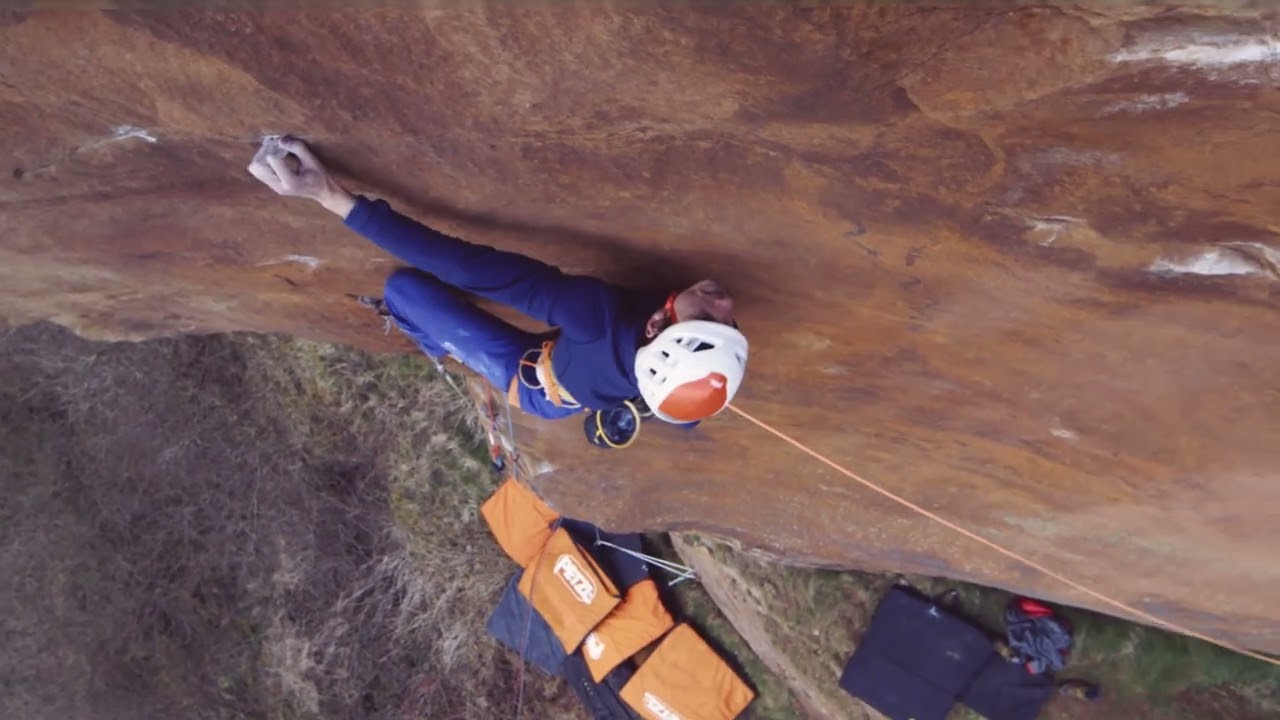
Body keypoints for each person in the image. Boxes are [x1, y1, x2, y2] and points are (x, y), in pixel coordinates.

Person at [247, 136, 748, 448]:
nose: (723, 302)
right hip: (582, 380)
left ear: (659, 325)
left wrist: (330, 196)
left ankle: (430, 342)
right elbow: (683, 419)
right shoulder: (664, 383)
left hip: (532, 383)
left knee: (403, 290)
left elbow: (466, 266)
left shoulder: (595, 314)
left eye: (706, 317)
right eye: (728, 324)